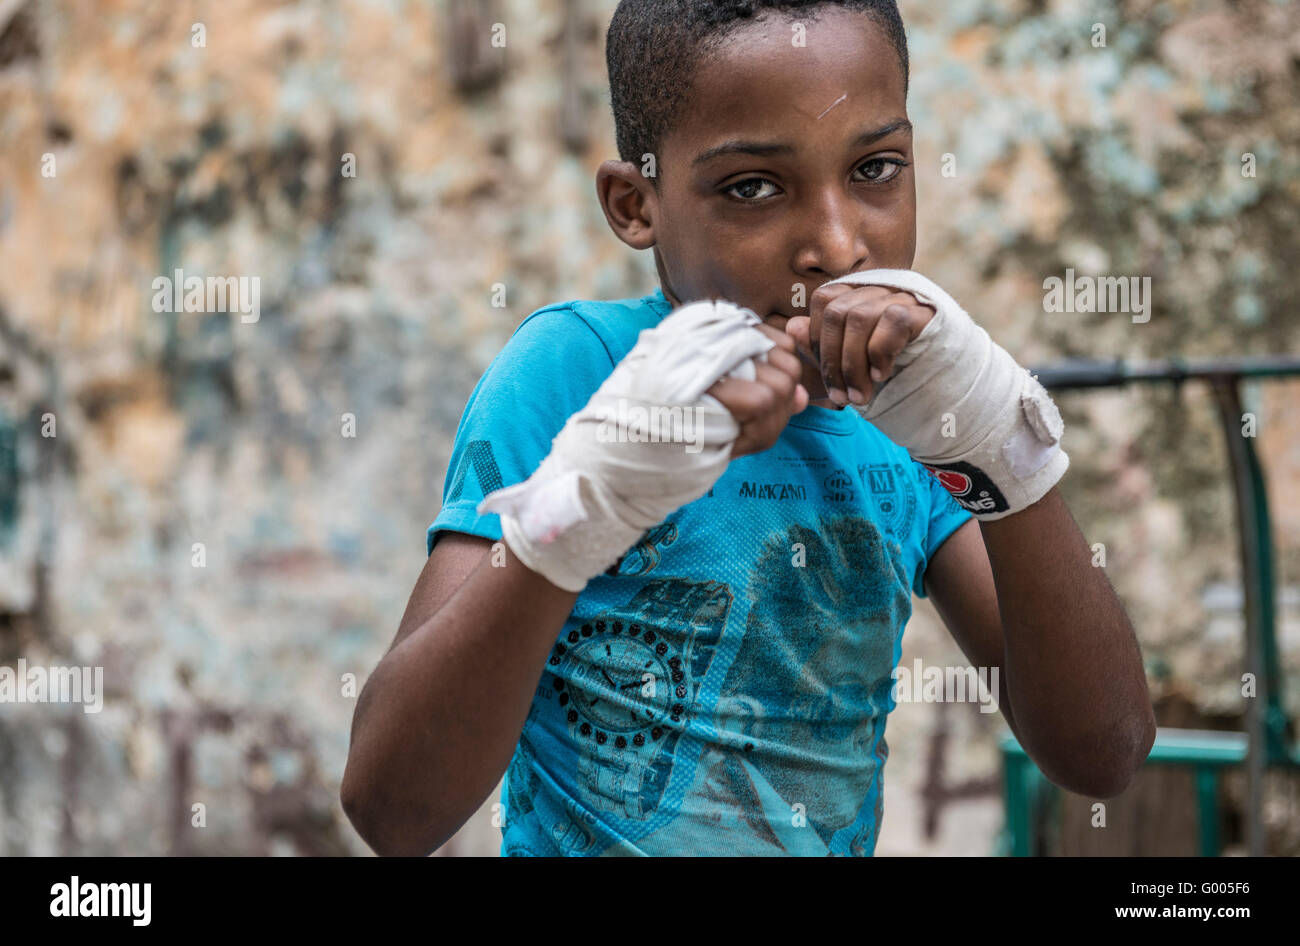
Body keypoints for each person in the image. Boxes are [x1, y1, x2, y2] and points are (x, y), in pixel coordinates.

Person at [341, 0, 1156, 857]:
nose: (839, 248)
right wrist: (585, 504)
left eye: (876, 169)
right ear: (635, 204)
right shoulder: (577, 374)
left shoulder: (915, 407)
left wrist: (1000, 437)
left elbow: (1103, 752)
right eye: (752, 188)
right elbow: (393, 811)